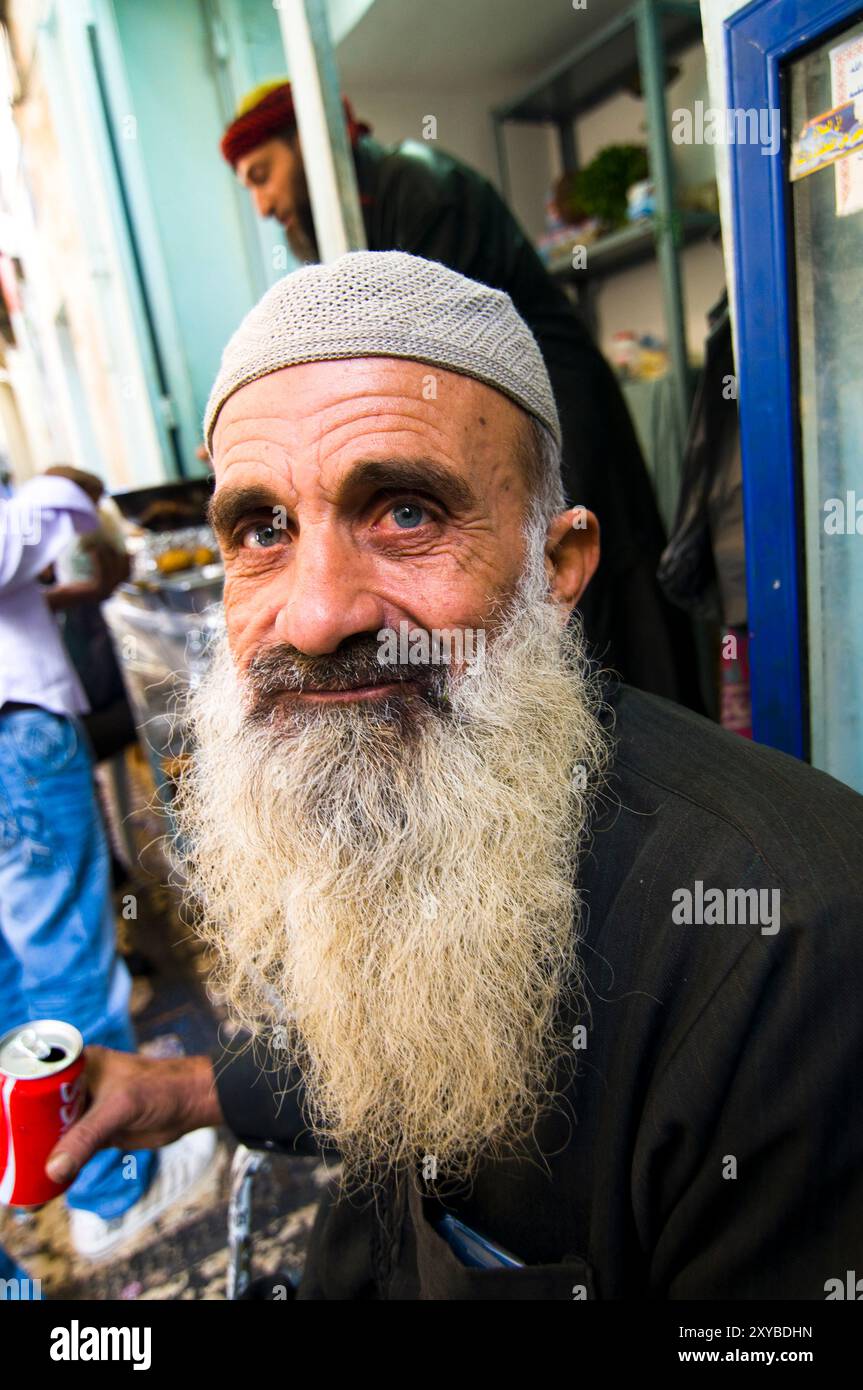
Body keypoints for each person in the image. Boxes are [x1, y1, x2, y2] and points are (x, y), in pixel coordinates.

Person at [48, 253, 863, 1299]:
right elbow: (406, 1035)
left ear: (556, 565)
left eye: (404, 514)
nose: (314, 614)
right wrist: (188, 1086)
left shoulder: (789, 958)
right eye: (263, 530)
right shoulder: (409, 784)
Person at [219, 80, 702, 710]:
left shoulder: (419, 187)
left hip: (539, 403)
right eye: (264, 532)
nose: (261, 204)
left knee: (588, 613)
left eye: (406, 515)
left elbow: (427, 376)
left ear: (306, 143)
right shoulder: (369, 199)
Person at [0, 466, 216, 1261]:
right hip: (11, 733)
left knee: (14, 968)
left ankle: (36, 1153)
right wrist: (58, 490)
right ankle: (109, 1185)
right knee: (66, 959)